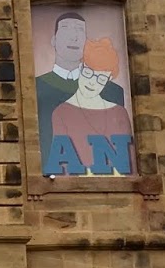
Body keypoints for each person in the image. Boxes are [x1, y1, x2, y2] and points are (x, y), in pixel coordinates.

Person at [35, 11, 125, 159]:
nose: (73, 37)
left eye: (80, 30)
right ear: (54, 40)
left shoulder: (113, 92)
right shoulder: (36, 87)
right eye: (65, 29)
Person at [50, 37, 133, 175]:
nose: (92, 83)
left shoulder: (119, 112)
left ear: (109, 80)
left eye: (101, 78)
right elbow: (61, 168)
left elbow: (130, 166)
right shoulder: (61, 113)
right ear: (80, 67)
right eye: (88, 73)